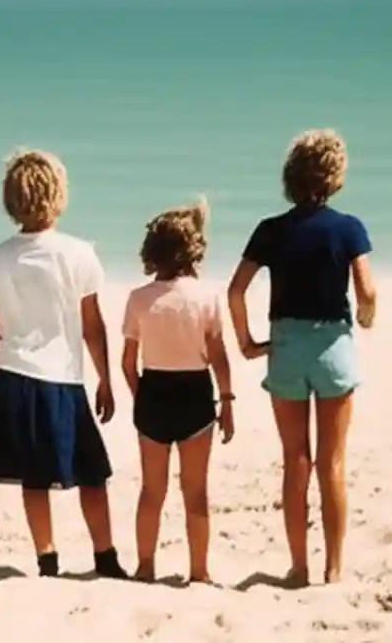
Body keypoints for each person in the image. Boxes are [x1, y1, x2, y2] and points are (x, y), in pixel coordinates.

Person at [227, 129, 377, 587]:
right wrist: (367, 318)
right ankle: (333, 570)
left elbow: (236, 290)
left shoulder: (271, 230)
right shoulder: (349, 228)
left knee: (295, 461)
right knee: (332, 463)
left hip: (286, 347)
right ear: (333, 178)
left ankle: (298, 567)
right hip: (332, 346)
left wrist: (248, 343)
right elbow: (367, 290)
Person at [0, 148, 129, 579]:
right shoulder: (78, 253)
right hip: (60, 377)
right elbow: (92, 326)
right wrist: (105, 379)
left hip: (10, 375)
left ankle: (47, 559)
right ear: (59, 194)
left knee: (34, 477)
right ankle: (106, 556)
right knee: (93, 473)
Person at [121, 200, 234, 585]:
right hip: (195, 393)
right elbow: (218, 355)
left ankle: (145, 566)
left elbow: (127, 362)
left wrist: (142, 397)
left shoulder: (139, 298)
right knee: (195, 491)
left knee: (152, 490)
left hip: (154, 389)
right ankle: (199, 572)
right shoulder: (207, 296)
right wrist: (228, 400)